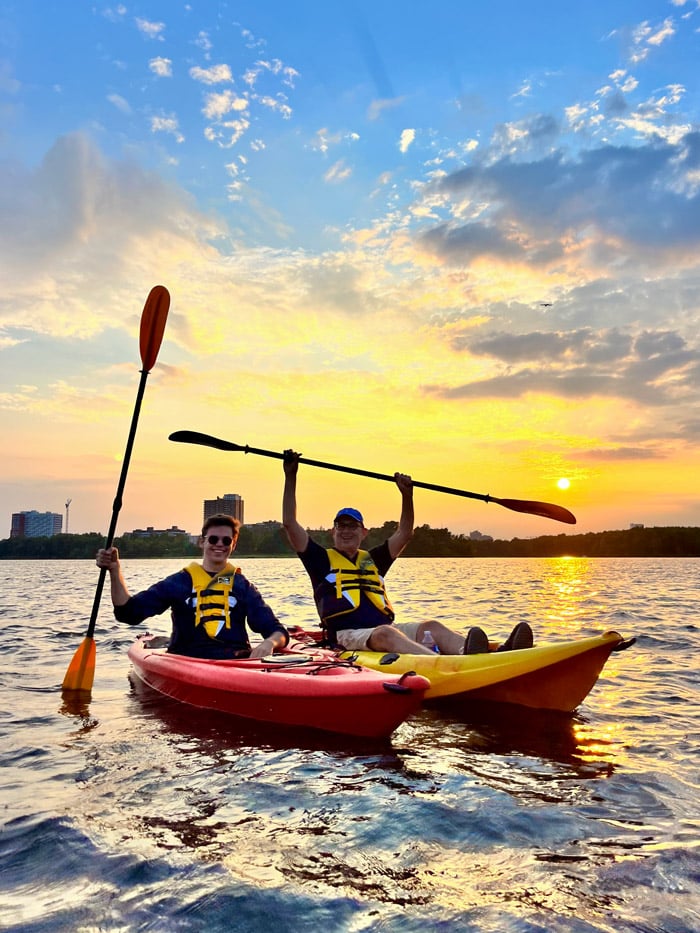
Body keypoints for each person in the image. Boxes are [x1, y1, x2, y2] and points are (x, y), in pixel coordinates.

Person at [282, 451, 533, 655]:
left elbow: (404, 533)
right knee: (386, 633)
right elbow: (290, 524)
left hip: (384, 629)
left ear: (364, 532)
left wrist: (407, 496)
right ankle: (443, 663)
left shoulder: (373, 560)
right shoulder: (319, 559)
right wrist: (291, 475)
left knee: (432, 626)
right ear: (333, 531)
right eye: (341, 526)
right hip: (348, 636)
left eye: (352, 526)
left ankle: (485, 653)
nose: (346, 531)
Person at [96, 513, 289, 660]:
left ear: (234, 545)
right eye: (213, 539)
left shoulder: (243, 586)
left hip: (234, 662)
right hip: (187, 659)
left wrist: (269, 643)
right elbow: (128, 613)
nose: (219, 544)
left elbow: (277, 631)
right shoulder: (178, 582)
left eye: (226, 540)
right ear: (202, 542)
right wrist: (114, 570)